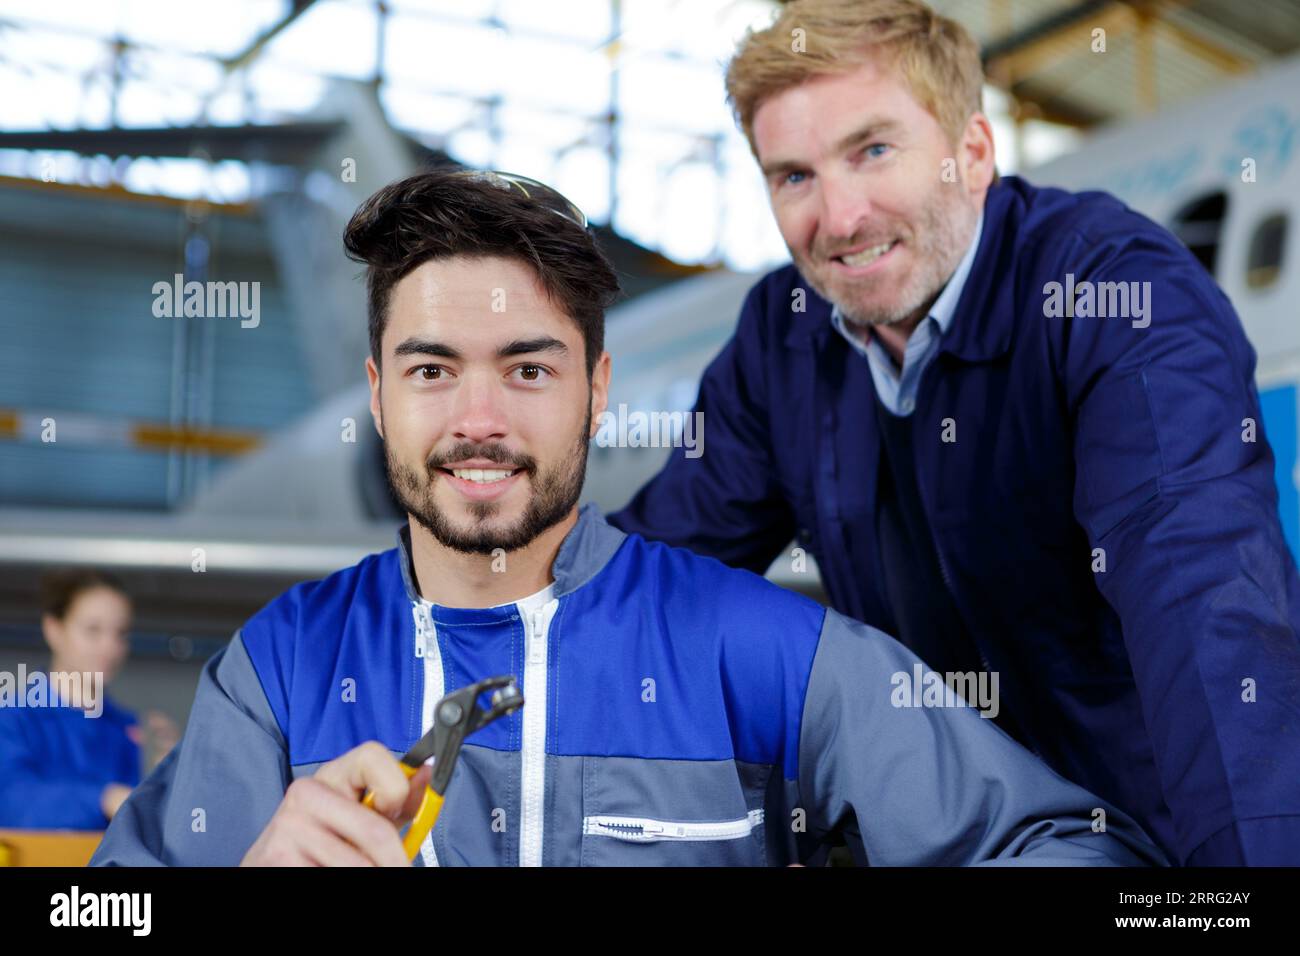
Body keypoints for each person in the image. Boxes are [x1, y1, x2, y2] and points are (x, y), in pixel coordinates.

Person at [91, 168, 1164, 867]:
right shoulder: (274, 672)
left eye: (527, 368)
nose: (478, 419)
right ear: (377, 393)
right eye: (432, 369)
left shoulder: (765, 653)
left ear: (596, 389)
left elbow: (1077, 849)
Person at [607, 0, 1300, 865]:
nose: (840, 216)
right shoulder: (781, 342)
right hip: (951, 839)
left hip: (1154, 845)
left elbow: (1209, 619)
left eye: (873, 151)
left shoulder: (1114, 297)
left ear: (972, 153)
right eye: (793, 176)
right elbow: (646, 582)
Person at [0, 569, 177, 830]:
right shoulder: (13, 718)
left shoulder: (128, 729)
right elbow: (13, 804)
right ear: (53, 629)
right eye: (93, 630)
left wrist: (171, 775)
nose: (110, 647)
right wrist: (105, 799)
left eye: (121, 633)